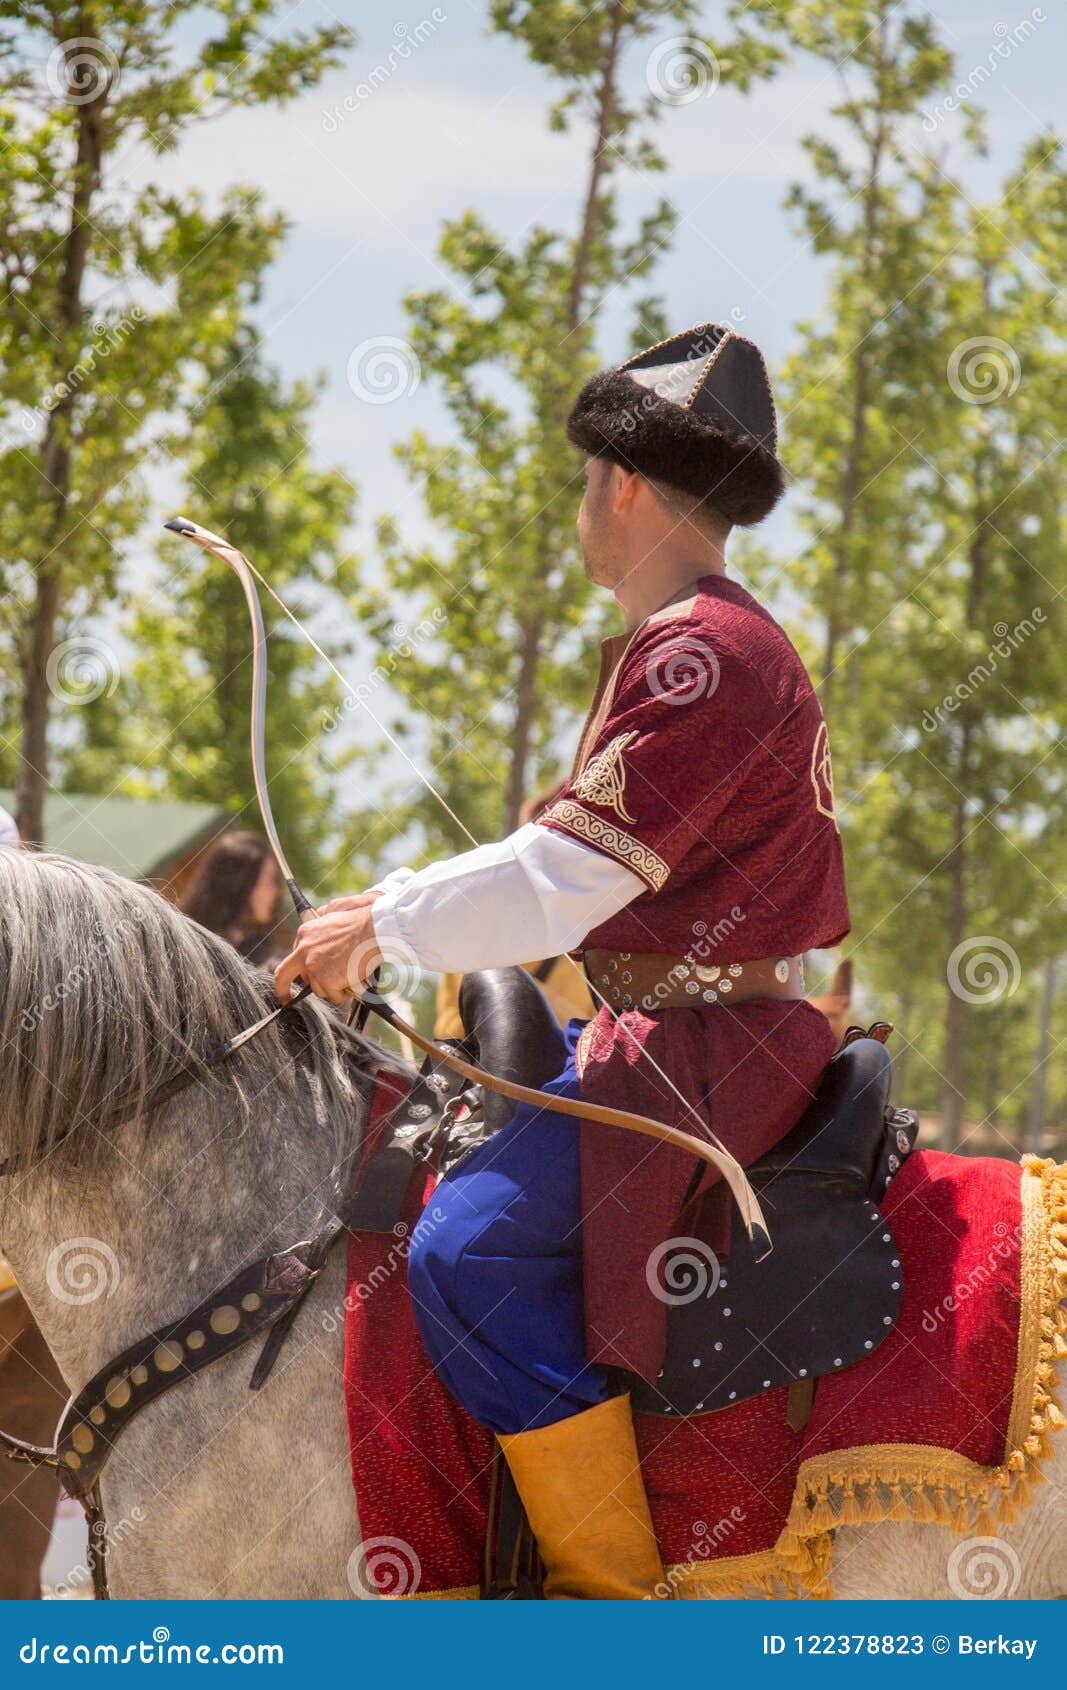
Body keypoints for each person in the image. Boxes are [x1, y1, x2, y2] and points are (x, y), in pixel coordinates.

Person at [276, 324, 850, 1599]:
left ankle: (610, 1616)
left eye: (584, 479)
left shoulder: (709, 650)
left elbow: (556, 884)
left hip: (709, 1055)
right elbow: (550, 861)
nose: (580, 507)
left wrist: (380, 923)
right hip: (672, 1036)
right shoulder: (692, 642)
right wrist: (396, 904)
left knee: (464, 1251)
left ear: (624, 486)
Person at [433, 783, 595, 1038]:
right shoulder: (472, 929)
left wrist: (516, 996)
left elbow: (599, 1037)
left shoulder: (596, 946)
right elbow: (448, 1030)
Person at [180, 829, 285, 964]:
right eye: (271, 879)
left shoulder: (262, 955)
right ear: (242, 883)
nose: (277, 891)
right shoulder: (188, 955)